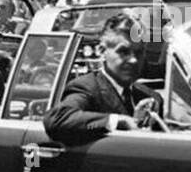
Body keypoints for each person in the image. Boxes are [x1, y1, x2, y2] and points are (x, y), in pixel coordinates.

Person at [43, 14, 159, 144]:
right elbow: (58, 119)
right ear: (102, 51)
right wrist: (118, 121)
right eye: (124, 52)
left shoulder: (150, 97)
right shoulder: (87, 88)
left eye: (138, 53)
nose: (133, 60)